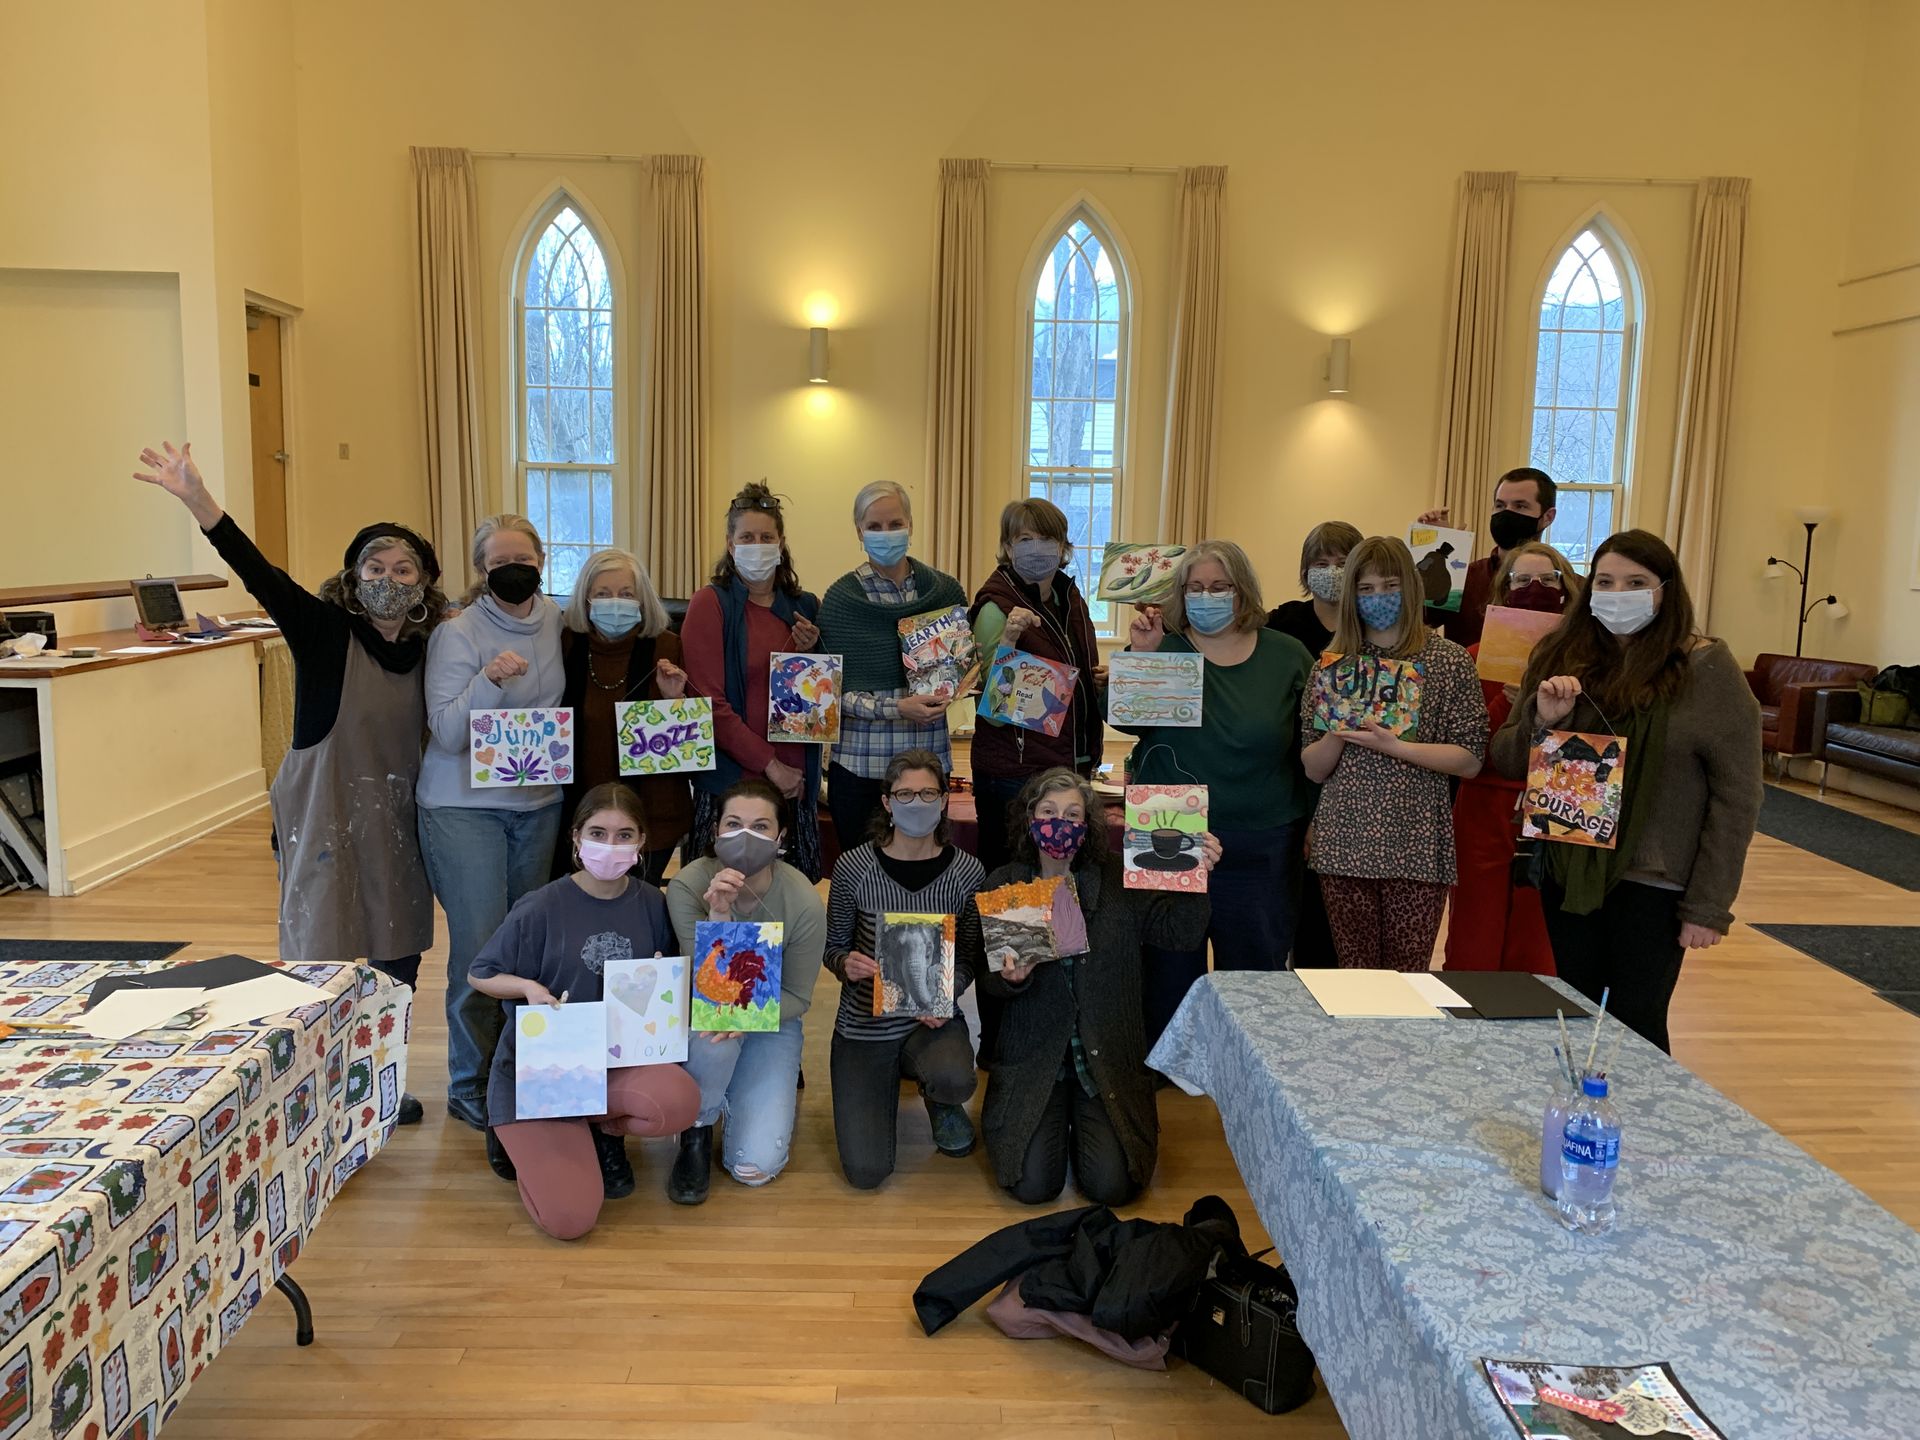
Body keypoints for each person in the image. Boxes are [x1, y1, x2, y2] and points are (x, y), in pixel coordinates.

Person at [132, 441, 445, 1125]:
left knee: (396, 957)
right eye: (375, 566)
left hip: (396, 821)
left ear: (425, 584)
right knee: (321, 962)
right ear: (352, 576)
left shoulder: (434, 648)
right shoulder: (323, 630)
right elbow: (259, 574)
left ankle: (380, 1080)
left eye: (404, 568)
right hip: (323, 820)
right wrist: (197, 500)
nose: (389, 577)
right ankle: (322, 1086)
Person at [1491, 530, 1763, 1053]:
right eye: (1607, 581)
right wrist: (1543, 722)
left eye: (1636, 583)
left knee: (1636, 1029)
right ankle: (1580, 1127)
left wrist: (1708, 906)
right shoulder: (1558, 652)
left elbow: (1738, 795)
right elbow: (1507, 758)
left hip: (1655, 884)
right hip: (1569, 868)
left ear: (1666, 590)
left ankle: (1640, 1130)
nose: (1619, 593)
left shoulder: (1705, 669)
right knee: (1574, 1017)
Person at [959, 769, 1218, 1206]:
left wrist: (1195, 879)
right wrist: (1008, 980)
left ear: (1088, 826)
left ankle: (1088, 1121)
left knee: (1115, 1187)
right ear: (1029, 818)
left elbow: (1181, 935)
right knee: (1031, 1186)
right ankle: (1052, 1116)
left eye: (1072, 814)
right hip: (1036, 1057)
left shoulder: (1120, 880)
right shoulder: (1007, 883)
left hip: (1103, 1059)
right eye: (1048, 811)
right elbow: (988, 983)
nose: (1059, 822)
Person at [468, 785, 702, 1239]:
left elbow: (673, 982)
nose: (610, 846)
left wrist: (662, 978)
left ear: (641, 843)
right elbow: (481, 973)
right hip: (543, 1073)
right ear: (576, 839)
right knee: (571, 1220)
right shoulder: (540, 907)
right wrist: (527, 988)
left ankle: (600, 1130)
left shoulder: (653, 903)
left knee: (678, 1100)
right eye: (598, 833)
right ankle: (514, 1132)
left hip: (614, 1063)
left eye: (623, 835)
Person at [1123, 541, 1315, 1047]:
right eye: (1195, 588)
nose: (1207, 596)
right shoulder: (1163, 646)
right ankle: (1169, 1070)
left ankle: (1248, 1067)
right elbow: (1122, 718)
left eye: (1219, 587)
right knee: (1167, 963)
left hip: (1263, 831)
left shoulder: (1287, 655)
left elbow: (1313, 745)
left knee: (1255, 967)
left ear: (1242, 590)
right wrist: (1141, 658)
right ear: (1179, 595)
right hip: (1167, 818)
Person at [417, 514, 566, 1135]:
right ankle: (468, 1081)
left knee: (527, 946)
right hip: (464, 808)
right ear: (481, 570)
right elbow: (447, 731)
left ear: (540, 558)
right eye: (498, 560)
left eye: (523, 557)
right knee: (481, 948)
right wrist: (489, 680)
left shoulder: (557, 620)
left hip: (537, 802)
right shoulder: (458, 633)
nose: (514, 569)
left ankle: (519, 1068)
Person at [1300, 536, 1486, 970]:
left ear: (1411, 587)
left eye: (1389, 585)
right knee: (1355, 975)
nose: (1378, 597)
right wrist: (1339, 732)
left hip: (1417, 844)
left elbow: (1470, 759)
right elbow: (1313, 768)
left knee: (1408, 977)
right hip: (1344, 842)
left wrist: (1397, 747)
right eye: (1365, 589)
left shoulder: (1449, 661)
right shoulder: (1333, 665)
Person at [823, 749, 986, 1189]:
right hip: (864, 1024)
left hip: (930, 1020)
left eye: (929, 792)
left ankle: (940, 1101)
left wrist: (948, 993)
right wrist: (846, 964)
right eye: (906, 793)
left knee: (954, 1078)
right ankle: (884, 1079)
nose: (918, 802)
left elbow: (971, 957)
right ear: (887, 802)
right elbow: (833, 948)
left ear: (945, 799)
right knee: (866, 1172)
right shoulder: (853, 866)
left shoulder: (968, 873)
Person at [664, 777, 827, 1202]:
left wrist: (750, 1015)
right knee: (718, 1039)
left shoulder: (803, 899)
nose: (746, 836)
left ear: (781, 836)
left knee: (753, 1168)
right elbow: (708, 987)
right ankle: (696, 1129)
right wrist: (719, 912)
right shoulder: (687, 885)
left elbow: (798, 997)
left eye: (761, 827)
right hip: (705, 1014)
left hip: (774, 1021)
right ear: (716, 830)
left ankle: (732, 1097)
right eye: (734, 824)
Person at [1445, 542, 1580, 974]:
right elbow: (1469, 751)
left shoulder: (1584, 661)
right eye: (1522, 580)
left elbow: (1590, 758)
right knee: (1474, 930)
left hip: (1557, 805)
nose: (1534, 589)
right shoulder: (1472, 659)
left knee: (1539, 937)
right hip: (1483, 804)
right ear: (1503, 592)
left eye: (1547, 580)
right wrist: (1512, 708)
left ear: (1566, 590)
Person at [681, 483, 825, 880]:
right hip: (734, 787)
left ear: (781, 544)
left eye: (766, 537)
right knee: (728, 907)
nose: (757, 545)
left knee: (790, 908)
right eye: (747, 537)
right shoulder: (710, 603)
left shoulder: (804, 606)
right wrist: (770, 765)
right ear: (730, 544)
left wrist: (813, 651)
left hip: (794, 786)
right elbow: (708, 702)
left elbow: (816, 693)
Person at [817, 481, 971, 854]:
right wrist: (897, 708)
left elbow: (962, 671)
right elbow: (831, 695)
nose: (886, 534)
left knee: (923, 869)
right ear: (859, 531)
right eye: (875, 527)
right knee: (860, 877)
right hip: (859, 766)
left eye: (894, 523)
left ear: (910, 525)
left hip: (926, 765)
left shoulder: (946, 592)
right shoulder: (841, 601)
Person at [966, 497, 1105, 876]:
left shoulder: (1070, 599)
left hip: (1069, 766)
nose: (1036, 547)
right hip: (1017, 774)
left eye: (1045, 537)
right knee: (1016, 888)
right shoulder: (997, 608)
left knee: (1065, 884)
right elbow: (993, 710)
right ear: (1008, 548)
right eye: (1024, 538)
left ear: (1062, 547)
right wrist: (1010, 640)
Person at [553, 548, 692, 884]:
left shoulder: (668, 646)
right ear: (586, 600)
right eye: (603, 594)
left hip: (653, 816)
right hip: (577, 816)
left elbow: (684, 750)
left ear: (642, 599)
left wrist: (676, 701)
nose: (615, 602)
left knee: (636, 910)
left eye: (626, 594)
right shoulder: (564, 644)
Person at [1417, 466, 1559, 646]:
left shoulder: (1567, 585)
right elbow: (1414, 622)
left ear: (1548, 517)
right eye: (1500, 505)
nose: (1507, 513)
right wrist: (1433, 543)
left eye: (1520, 506)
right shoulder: (1467, 579)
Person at [1266, 520, 1361, 656]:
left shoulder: (1370, 625)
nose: (1332, 572)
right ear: (1305, 572)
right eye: (1322, 564)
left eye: (1343, 564)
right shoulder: (1283, 620)